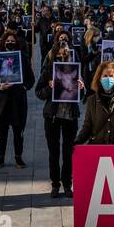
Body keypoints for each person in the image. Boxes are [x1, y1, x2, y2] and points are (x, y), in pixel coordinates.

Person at [35, 36, 80, 197]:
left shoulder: (75, 70)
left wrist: (81, 87)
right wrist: (49, 88)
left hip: (70, 116)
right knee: (53, 152)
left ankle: (68, 184)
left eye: (65, 55)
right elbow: (38, 92)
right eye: (59, 56)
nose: (62, 58)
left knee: (68, 152)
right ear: (54, 56)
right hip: (52, 116)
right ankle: (55, 184)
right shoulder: (48, 71)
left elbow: (83, 96)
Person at [0, 31, 33, 169]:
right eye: (8, 41)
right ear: (3, 42)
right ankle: (0, 157)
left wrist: (24, 87)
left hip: (18, 100)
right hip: (2, 100)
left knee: (18, 131)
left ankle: (18, 157)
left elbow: (31, 78)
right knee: (2, 132)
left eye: (13, 41)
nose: (10, 43)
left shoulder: (23, 57)